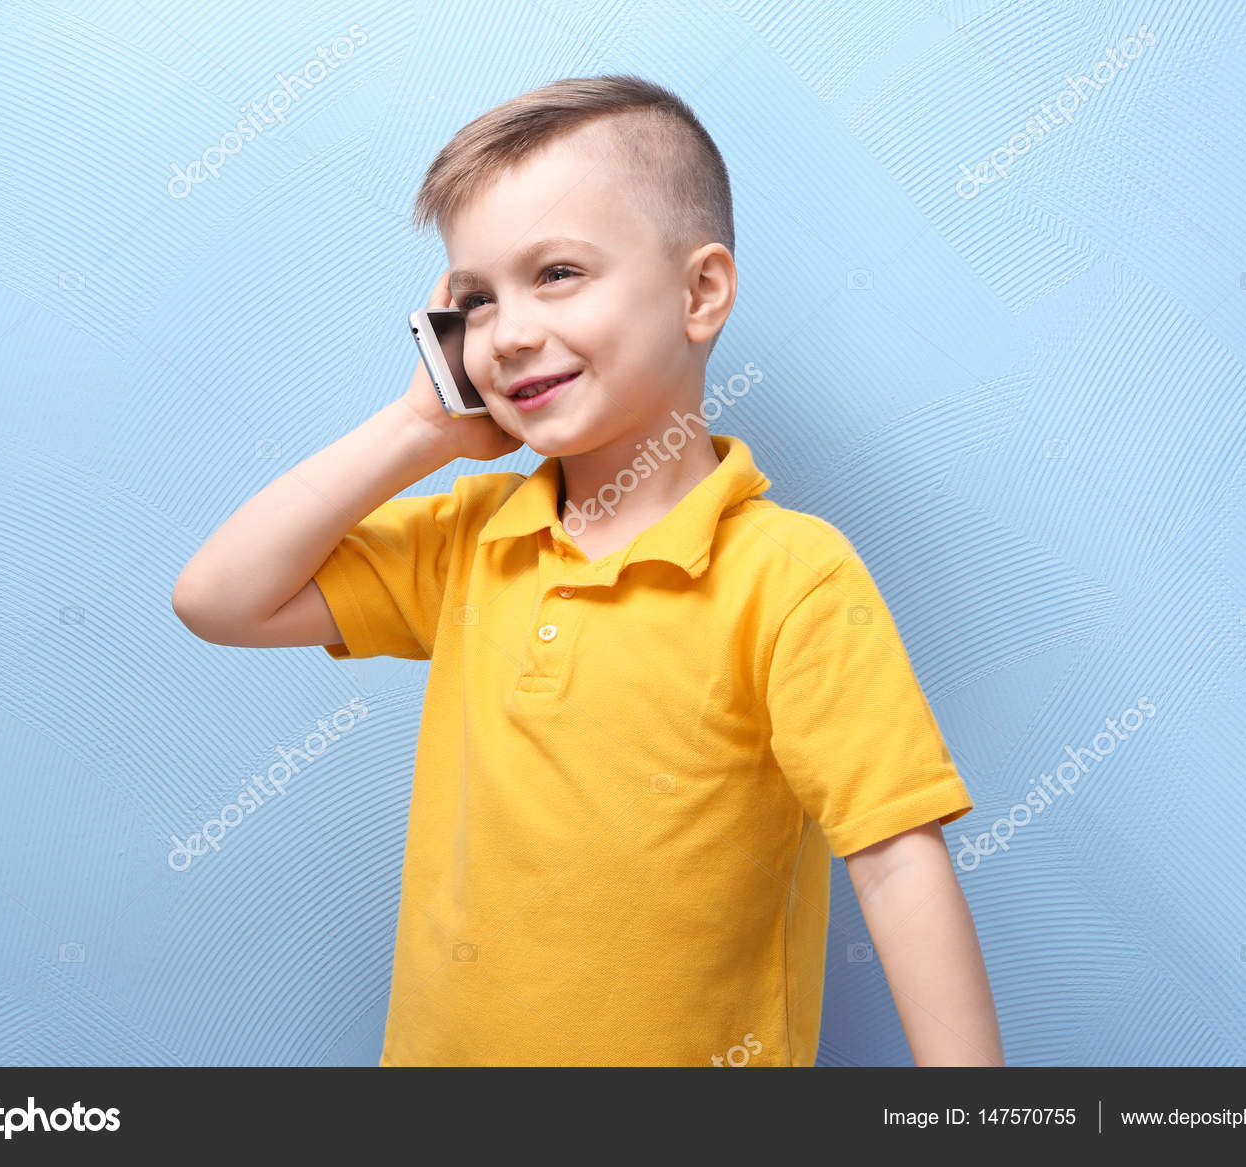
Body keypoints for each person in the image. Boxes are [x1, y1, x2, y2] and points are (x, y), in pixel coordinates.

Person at [172, 74, 1003, 1068]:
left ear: (700, 293)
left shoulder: (787, 576)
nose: (510, 332)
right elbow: (217, 599)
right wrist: (416, 428)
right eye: (474, 300)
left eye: (557, 273)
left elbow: (894, 864)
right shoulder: (473, 539)